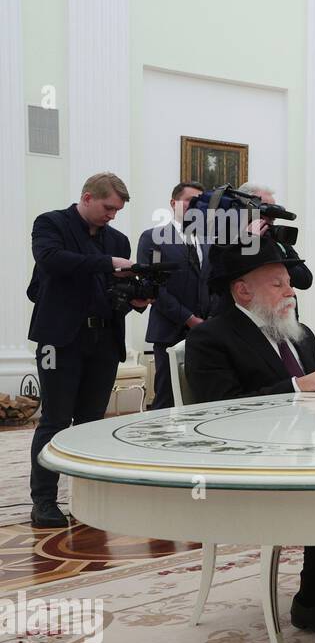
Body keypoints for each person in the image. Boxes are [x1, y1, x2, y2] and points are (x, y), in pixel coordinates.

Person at [184, 235, 315, 640]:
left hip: (306, 450)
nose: (290, 290)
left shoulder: (299, 333)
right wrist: (294, 385)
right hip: (251, 462)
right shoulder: (211, 338)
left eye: (288, 281)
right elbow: (218, 410)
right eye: (277, 283)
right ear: (242, 290)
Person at [27, 172, 150, 529]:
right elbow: (52, 260)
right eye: (108, 207)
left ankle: (87, 499)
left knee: (91, 423)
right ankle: (44, 501)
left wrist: (136, 300)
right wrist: (109, 263)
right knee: (54, 419)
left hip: (103, 341)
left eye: (117, 210)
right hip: (60, 339)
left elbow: (112, 297)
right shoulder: (51, 223)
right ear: (87, 198)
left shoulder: (118, 239)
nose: (112, 215)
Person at [137, 181, 207, 410]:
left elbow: (214, 283)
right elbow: (153, 287)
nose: (195, 206)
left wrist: (210, 321)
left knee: (204, 399)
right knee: (166, 399)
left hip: (208, 332)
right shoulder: (153, 237)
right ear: (173, 203)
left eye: (200, 201)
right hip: (170, 330)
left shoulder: (210, 242)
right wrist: (189, 319)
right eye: (189, 200)